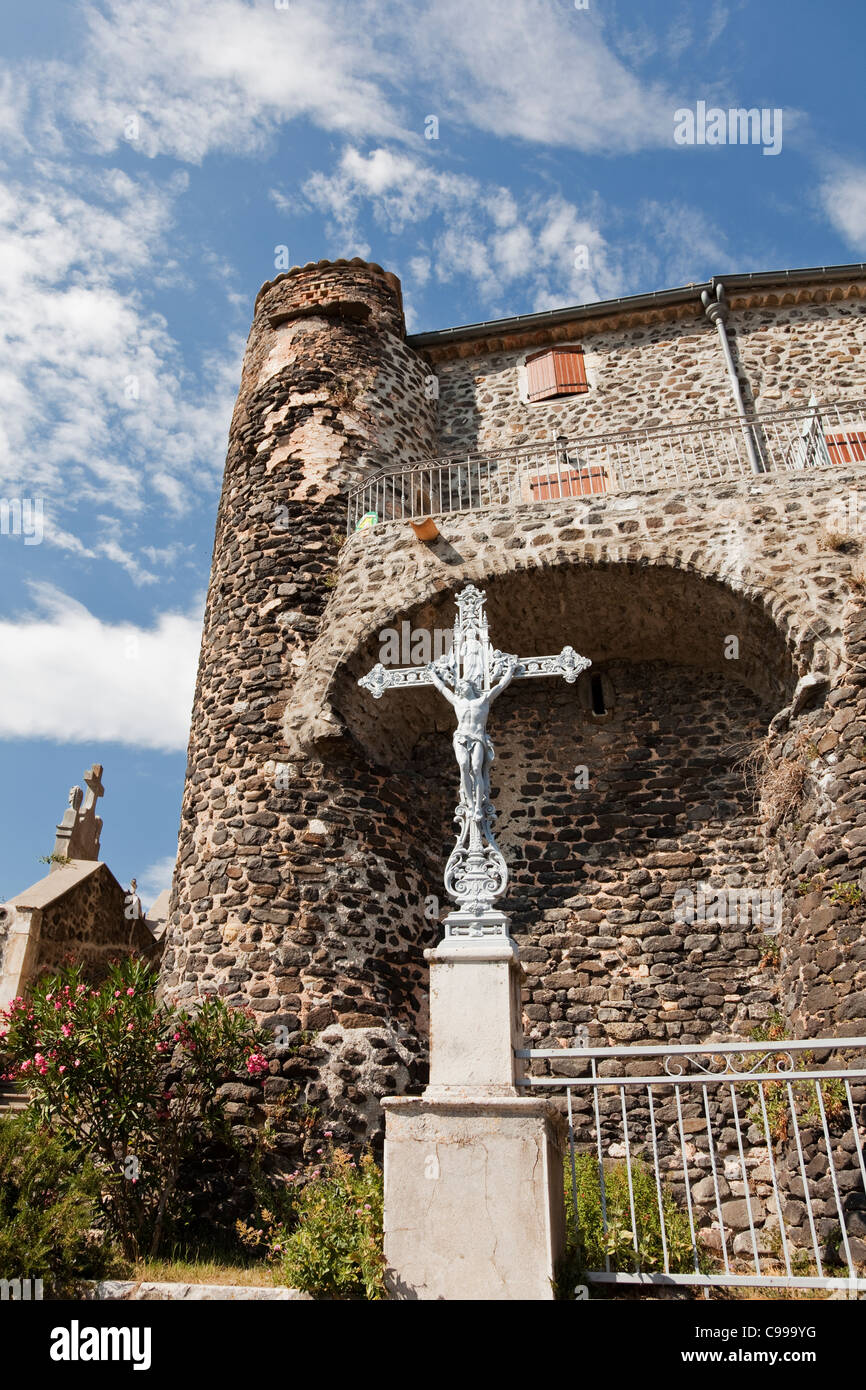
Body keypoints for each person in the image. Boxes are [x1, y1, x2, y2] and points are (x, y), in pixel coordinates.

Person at [426, 655, 518, 820]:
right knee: (463, 766)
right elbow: (442, 688)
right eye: (460, 684)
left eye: (464, 683)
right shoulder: (457, 702)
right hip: (461, 737)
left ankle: (477, 807)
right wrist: (432, 674)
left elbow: (501, 686)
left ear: (470, 686)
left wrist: (510, 670)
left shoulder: (483, 700)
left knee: (476, 769)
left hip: (477, 738)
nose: (461, 685)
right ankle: (469, 803)